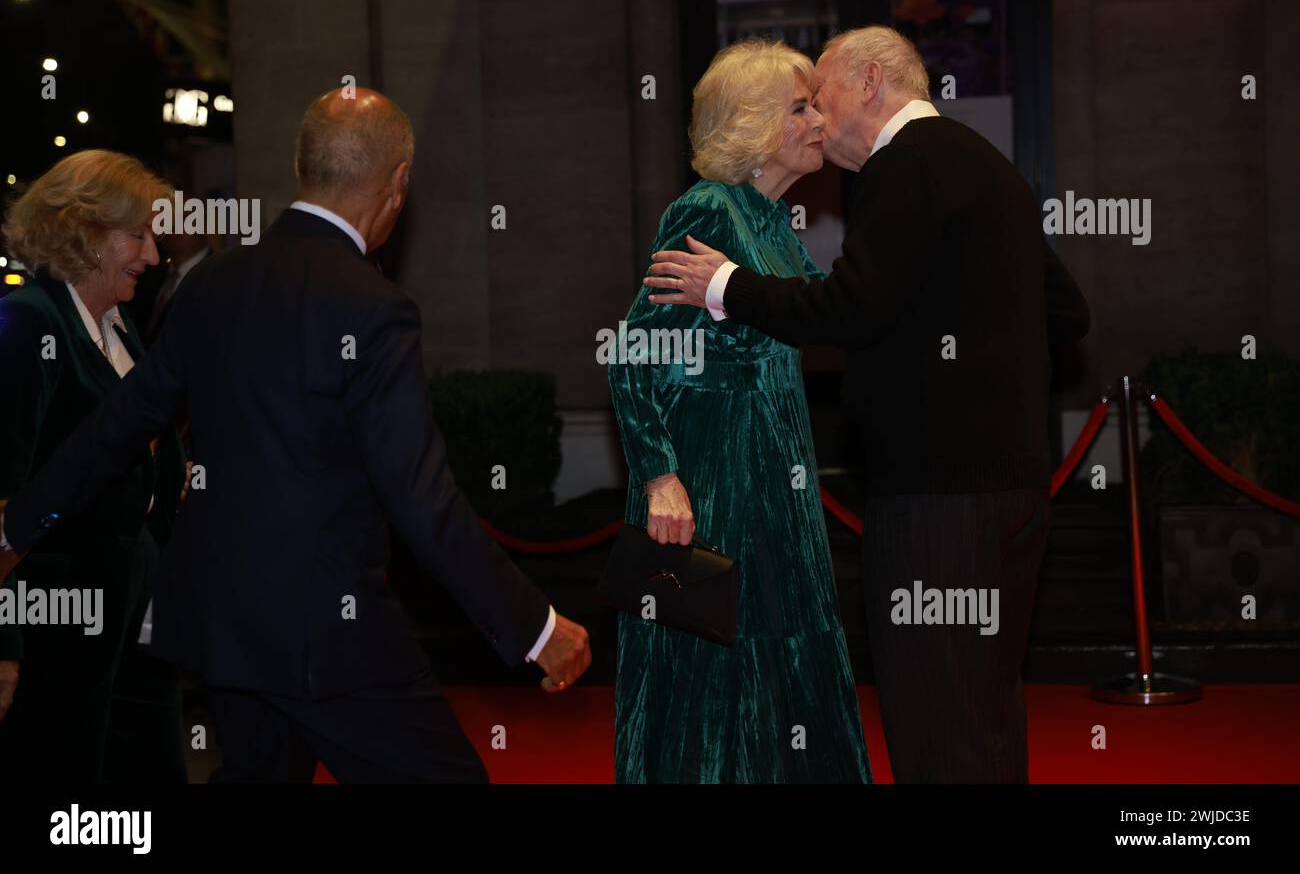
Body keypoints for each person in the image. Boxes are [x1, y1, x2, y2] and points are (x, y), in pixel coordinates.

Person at [0, 88, 591, 783]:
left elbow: (115, 429)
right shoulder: (376, 309)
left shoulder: (216, 284)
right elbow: (422, 498)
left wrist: (17, 526)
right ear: (397, 181)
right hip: (334, 637)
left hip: (228, 630)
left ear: (298, 163)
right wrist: (537, 626)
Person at [643, 25, 1091, 783]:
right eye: (801, 106)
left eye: (823, 96)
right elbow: (1067, 312)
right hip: (1015, 490)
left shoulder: (903, 165)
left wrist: (726, 287)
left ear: (872, 81)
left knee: (938, 721)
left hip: (938, 500)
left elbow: (854, 308)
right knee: (984, 709)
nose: (818, 117)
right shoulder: (988, 164)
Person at [608, 39, 871, 783]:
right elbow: (633, 354)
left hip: (772, 490)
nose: (819, 119)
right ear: (753, 126)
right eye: (800, 107)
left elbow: (829, 314)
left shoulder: (769, 219)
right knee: (709, 682)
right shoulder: (706, 211)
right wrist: (660, 476)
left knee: (777, 672)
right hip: (711, 489)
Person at [0, 149, 188, 782]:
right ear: (83, 233)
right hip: (56, 617)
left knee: (149, 767)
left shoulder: (117, 323)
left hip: (134, 601)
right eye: (137, 235)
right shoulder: (28, 322)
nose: (155, 255)